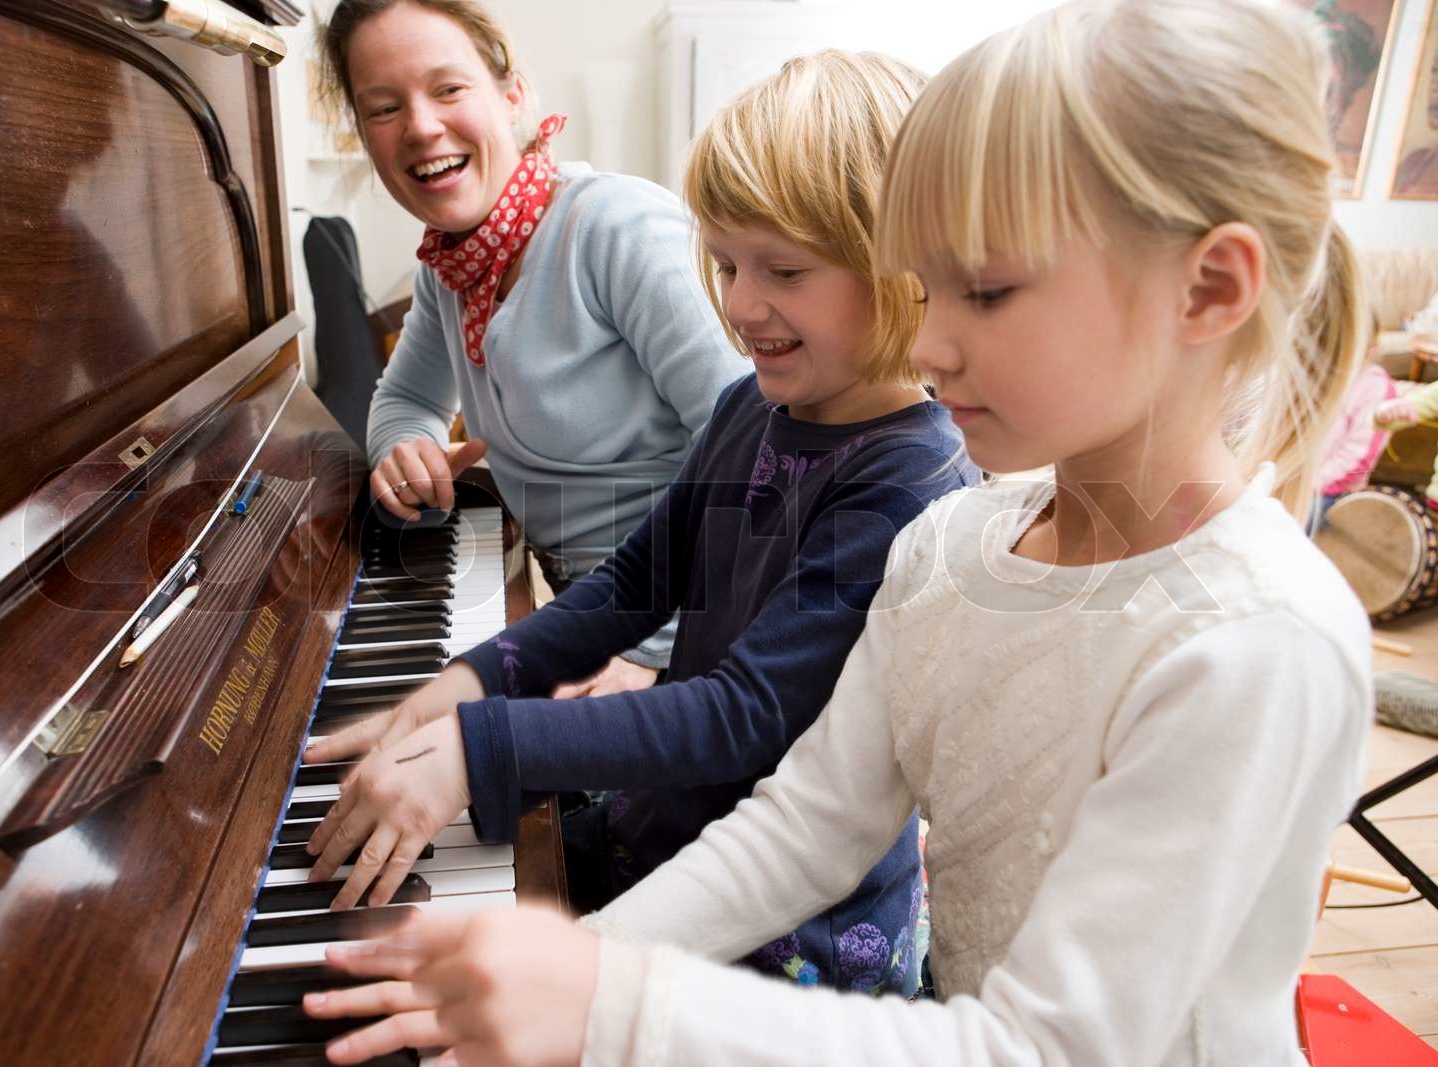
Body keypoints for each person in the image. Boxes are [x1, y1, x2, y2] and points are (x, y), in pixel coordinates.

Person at [302, 2, 1375, 1064]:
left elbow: (1048, 1044)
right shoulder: (954, 542)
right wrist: (576, 966)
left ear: (1209, 288)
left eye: (983, 290)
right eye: (924, 281)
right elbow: (805, 824)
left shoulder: (1251, 641)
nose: (931, 337)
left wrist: (608, 997)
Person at [300, 49, 976, 997]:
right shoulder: (754, 408)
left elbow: (746, 715)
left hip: (786, 941)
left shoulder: (911, 480)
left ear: (903, 266)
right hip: (664, 825)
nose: (739, 305)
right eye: (729, 261)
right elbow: (635, 582)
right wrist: (474, 677)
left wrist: (486, 745)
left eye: (782, 269)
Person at [321, 0, 746, 686]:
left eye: (449, 88)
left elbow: (753, 448)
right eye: (383, 107)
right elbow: (403, 395)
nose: (422, 127)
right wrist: (404, 446)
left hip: (691, 625)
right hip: (576, 608)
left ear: (512, 92)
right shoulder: (450, 269)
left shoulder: (615, 226)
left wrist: (650, 649)